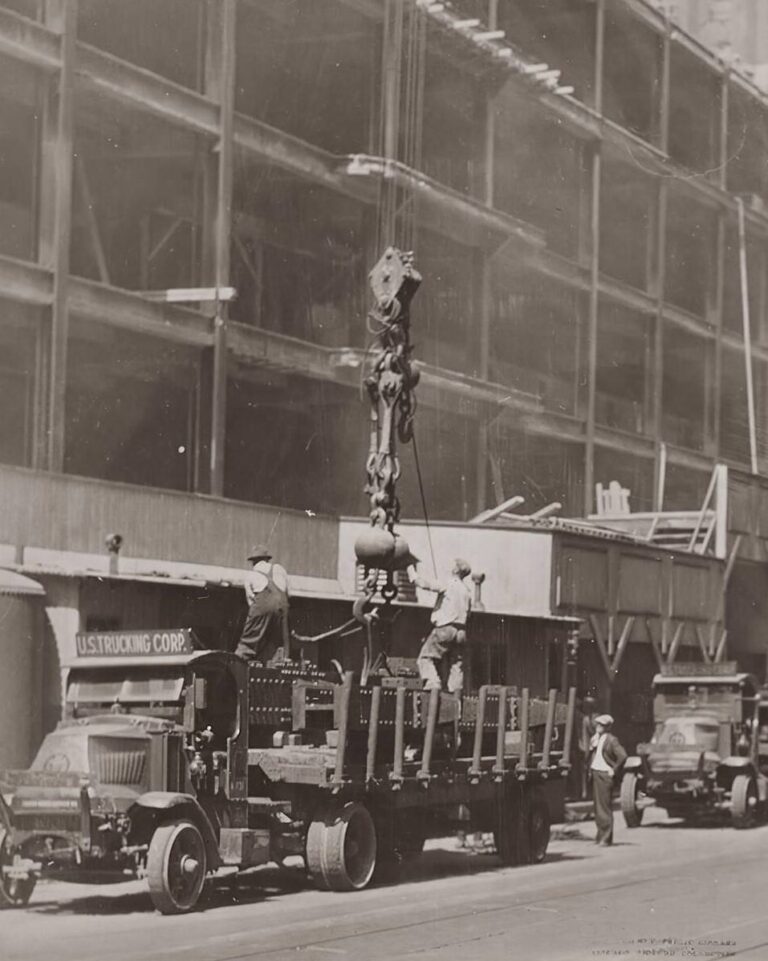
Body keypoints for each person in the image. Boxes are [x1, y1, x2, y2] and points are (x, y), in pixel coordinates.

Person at [407, 558, 472, 695]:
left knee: (425, 658)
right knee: (457, 663)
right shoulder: (466, 591)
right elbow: (468, 613)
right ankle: (456, 693)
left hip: (445, 628)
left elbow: (423, 584)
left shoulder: (448, 583)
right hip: (461, 631)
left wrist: (410, 570)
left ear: (455, 569)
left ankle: (433, 685)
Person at [236, 544, 290, 663]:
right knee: (277, 641)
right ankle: (278, 661)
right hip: (283, 606)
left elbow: (251, 602)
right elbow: (287, 593)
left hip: (263, 605)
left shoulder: (251, 575)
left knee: (250, 636)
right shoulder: (280, 569)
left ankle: (241, 659)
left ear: (253, 562)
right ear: (267, 559)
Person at [589, 714, 627, 846]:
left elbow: (622, 756)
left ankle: (606, 837)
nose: (598, 727)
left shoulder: (611, 740)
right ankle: (600, 835)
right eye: (597, 724)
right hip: (596, 772)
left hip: (605, 774)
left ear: (607, 727)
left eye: (601, 725)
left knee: (604, 807)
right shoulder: (597, 739)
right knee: (597, 807)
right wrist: (592, 745)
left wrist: (614, 770)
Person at [579, 696, 598, 800]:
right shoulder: (586, 719)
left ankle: (592, 792)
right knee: (586, 770)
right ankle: (585, 792)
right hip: (589, 747)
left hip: (596, 747)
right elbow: (585, 735)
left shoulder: (595, 718)